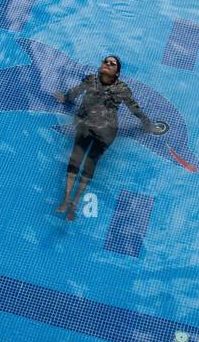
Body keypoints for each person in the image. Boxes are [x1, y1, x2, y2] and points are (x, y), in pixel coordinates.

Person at [52, 55, 163, 222]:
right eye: (106, 61)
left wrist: (147, 125)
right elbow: (76, 91)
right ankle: (66, 198)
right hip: (85, 126)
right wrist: (66, 98)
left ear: (117, 73)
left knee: (90, 162)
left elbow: (135, 109)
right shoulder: (91, 80)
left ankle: (75, 202)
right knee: (75, 159)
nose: (108, 64)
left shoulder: (122, 89)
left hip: (106, 132)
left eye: (112, 64)